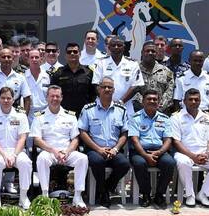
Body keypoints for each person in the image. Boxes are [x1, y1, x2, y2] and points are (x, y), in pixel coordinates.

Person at [77, 77, 131, 207]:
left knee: (124, 164)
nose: (107, 89)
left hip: (114, 149)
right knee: (97, 161)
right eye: (104, 87)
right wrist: (98, 149)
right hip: (95, 149)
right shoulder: (88, 109)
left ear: (114, 90)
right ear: (98, 89)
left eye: (110, 87)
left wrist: (116, 149)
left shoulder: (121, 110)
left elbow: (124, 133)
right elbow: (82, 132)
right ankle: (103, 192)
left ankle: (105, 189)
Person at [168, 88, 209, 208]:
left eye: (196, 100)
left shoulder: (207, 117)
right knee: (183, 163)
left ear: (200, 101)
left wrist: (208, 153)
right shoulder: (176, 117)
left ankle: (203, 194)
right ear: (184, 101)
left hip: (204, 153)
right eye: (190, 99)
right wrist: (192, 156)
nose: (193, 102)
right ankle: (190, 195)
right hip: (184, 152)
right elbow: (176, 142)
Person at [33, 85, 88, 208]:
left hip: (66, 152)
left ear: (62, 98)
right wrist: (54, 151)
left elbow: (75, 139)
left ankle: (78, 196)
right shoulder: (39, 116)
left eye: (57, 96)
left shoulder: (70, 116)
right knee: (41, 158)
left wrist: (67, 152)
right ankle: (45, 194)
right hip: (49, 152)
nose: (55, 98)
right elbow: (37, 139)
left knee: (83, 158)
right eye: (52, 96)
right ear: (47, 98)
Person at [127, 89, 176, 208]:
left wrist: (160, 152)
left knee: (170, 163)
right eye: (149, 99)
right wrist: (145, 155)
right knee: (139, 163)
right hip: (140, 151)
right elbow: (134, 139)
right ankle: (146, 194)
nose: (152, 101)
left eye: (155, 99)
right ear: (143, 102)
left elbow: (168, 139)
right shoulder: (135, 118)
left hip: (160, 151)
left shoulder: (165, 118)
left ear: (159, 102)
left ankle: (159, 194)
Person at [0, 86, 31, 208]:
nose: (6, 101)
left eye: (9, 98)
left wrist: (14, 155)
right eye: (3, 98)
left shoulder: (21, 116)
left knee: (25, 162)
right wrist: (5, 155)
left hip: (17, 150)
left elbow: (22, 138)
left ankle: (23, 196)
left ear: (13, 99)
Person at [92, 36, 141, 108]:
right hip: (103, 105)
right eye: (113, 45)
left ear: (124, 47)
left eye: (119, 45)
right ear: (109, 47)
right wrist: (107, 101)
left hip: (126, 106)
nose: (116, 47)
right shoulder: (101, 63)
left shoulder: (133, 64)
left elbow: (136, 86)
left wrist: (121, 101)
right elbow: (96, 84)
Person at [0, 47, 31, 115]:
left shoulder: (20, 78)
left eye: (9, 57)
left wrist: (24, 117)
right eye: (3, 57)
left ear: (12, 59)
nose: (6, 59)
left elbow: (27, 99)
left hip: (14, 115)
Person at [51, 42, 96, 115]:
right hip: (64, 114)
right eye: (69, 52)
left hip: (84, 114)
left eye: (75, 51)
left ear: (80, 54)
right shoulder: (58, 73)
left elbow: (93, 94)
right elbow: (53, 94)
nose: (72, 53)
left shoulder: (88, 72)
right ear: (66, 55)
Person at [133, 40, 174, 113]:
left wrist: (159, 107)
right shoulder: (134, 70)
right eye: (147, 51)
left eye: (153, 51)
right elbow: (132, 91)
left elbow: (169, 92)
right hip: (139, 112)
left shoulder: (166, 71)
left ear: (156, 53)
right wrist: (146, 105)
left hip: (162, 113)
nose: (150, 53)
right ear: (142, 52)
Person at [173, 50, 209, 115]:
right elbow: (177, 101)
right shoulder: (181, 78)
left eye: (200, 61)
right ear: (189, 61)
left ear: (203, 61)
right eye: (195, 60)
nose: (197, 63)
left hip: (206, 114)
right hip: (186, 114)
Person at [24, 48, 52, 114]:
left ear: (41, 59)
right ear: (28, 60)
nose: (34, 60)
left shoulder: (48, 76)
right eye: (32, 57)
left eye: (36, 57)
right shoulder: (23, 76)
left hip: (45, 112)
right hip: (29, 113)